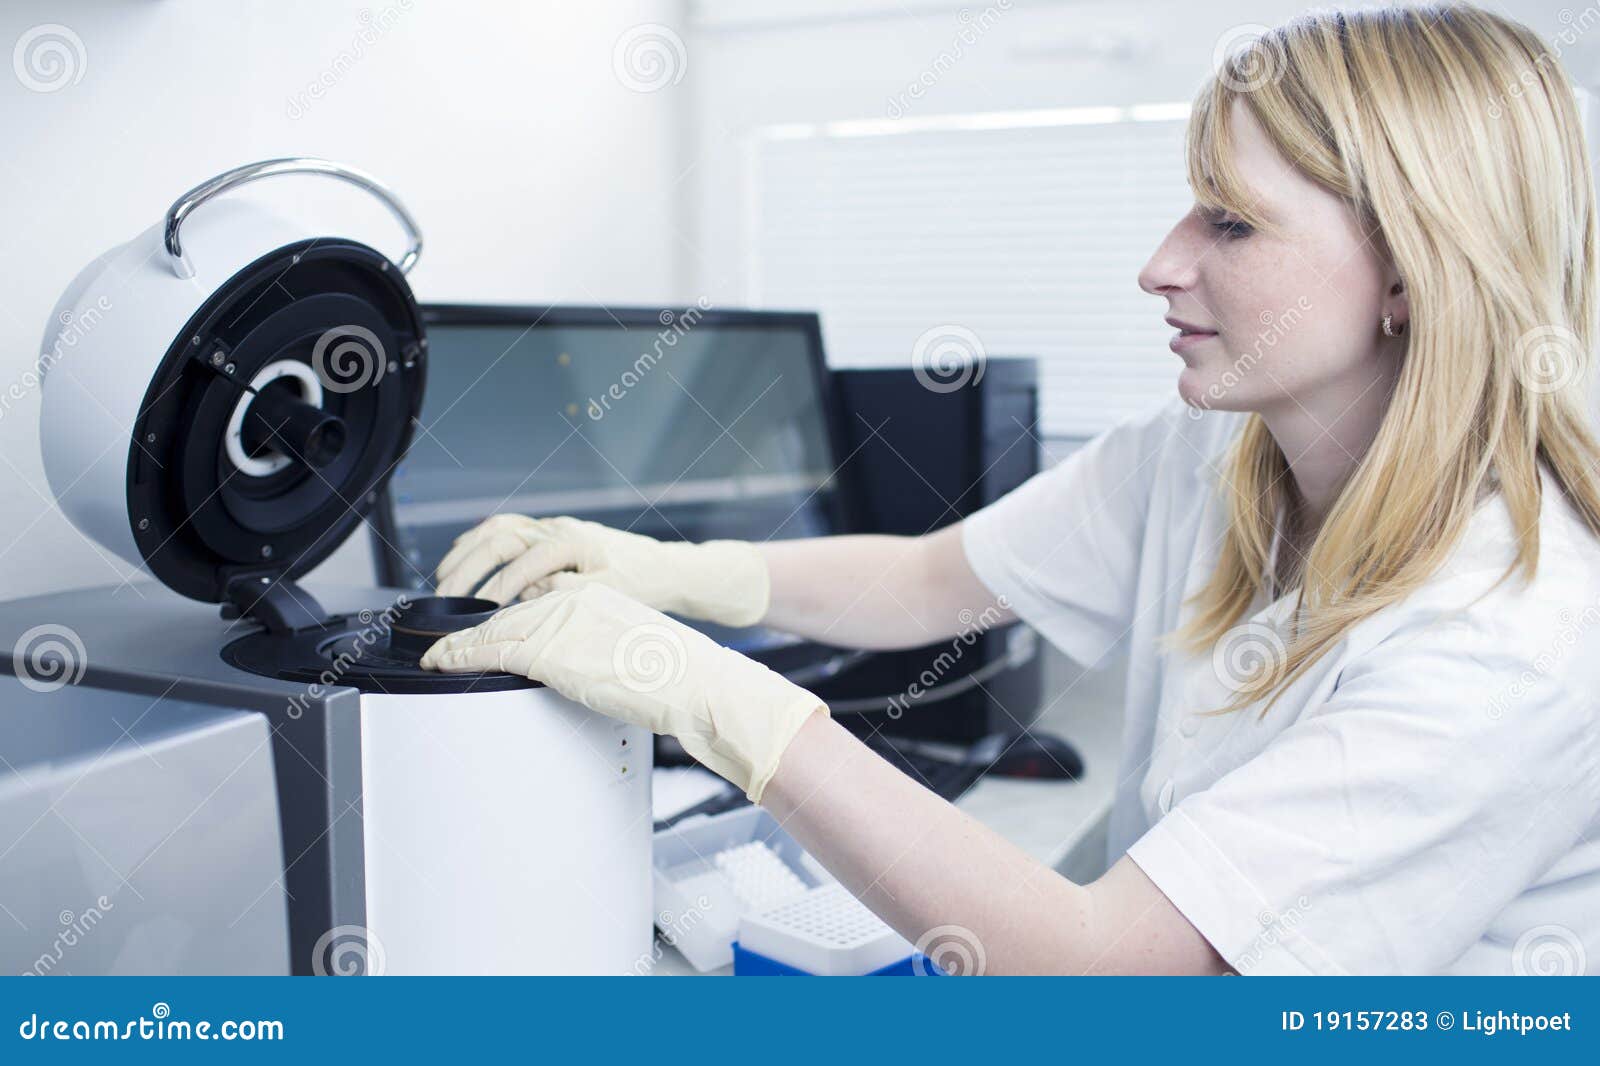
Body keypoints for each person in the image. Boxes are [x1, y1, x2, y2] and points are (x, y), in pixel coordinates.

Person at [422, 3, 1600, 975]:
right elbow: (930, 579)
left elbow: (1108, 975)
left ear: (1410, 275)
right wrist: (664, 570)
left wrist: (720, 704)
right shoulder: (1214, 453)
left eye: (1231, 224)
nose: (1161, 264)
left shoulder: (1509, 642)